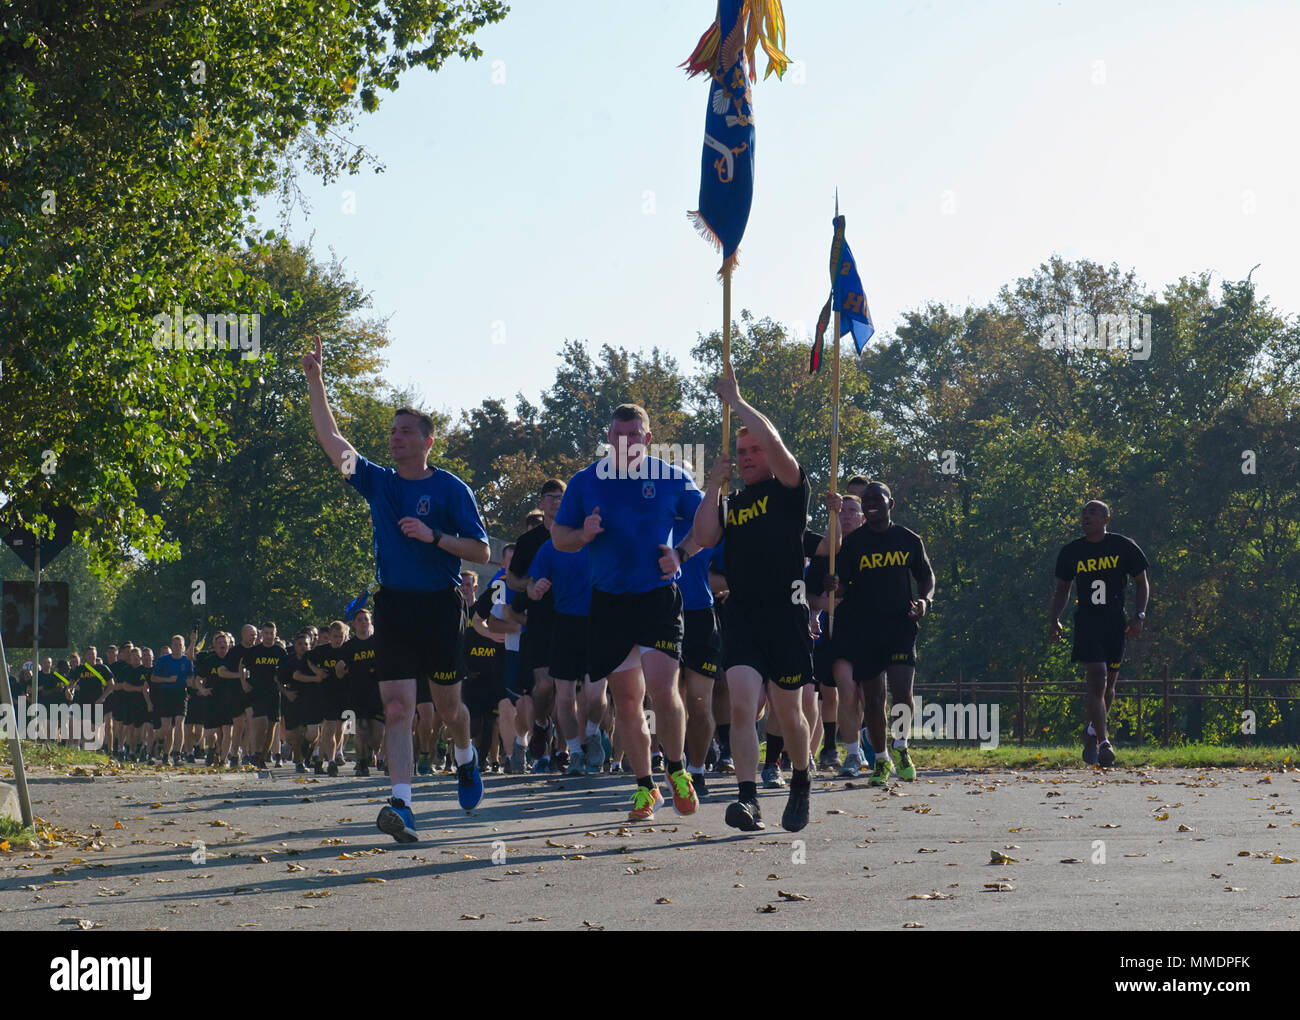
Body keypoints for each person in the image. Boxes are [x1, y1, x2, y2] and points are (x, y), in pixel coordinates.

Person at [304, 334, 491, 843]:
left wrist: (435, 536)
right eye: (392, 432)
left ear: (428, 441)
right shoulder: (380, 483)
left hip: (439, 605)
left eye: (407, 432)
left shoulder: (451, 489)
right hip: (394, 606)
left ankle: (466, 757)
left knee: (448, 708)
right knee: (396, 709)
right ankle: (402, 805)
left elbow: (481, 552)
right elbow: (334, 443)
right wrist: (316, 381)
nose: (396, 438)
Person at [552, 403, 700, 821]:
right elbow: (560, 537)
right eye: (617, 435)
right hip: (610, 600)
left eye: (633, 435)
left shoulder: (671, 477)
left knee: (662, 689)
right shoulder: (586, 481)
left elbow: (709, 522)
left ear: (647, 439)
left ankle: (676, 768)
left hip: (657, 595)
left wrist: (682, 553)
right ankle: (644, 787)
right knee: (627, 700)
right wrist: (584, 533)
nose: (625, 442)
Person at [690, 364, 816, 833]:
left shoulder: (790, 489)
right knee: (743, 705)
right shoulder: (734, 500)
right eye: (739, 451)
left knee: (789, 712)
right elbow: (703, 537)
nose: (745, 457)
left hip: (785, 614)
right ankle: (748, 800)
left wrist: (738, 402)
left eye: (752, 450)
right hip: (741, 614)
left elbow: (777, 444)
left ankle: (801, 780)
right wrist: (714, 484)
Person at [825, 482, 935, 787]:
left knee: (902, 694)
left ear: (891, 504)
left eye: (877, 499)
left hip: (900, 625)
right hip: (865, 629)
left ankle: (901, 749)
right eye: (867, 500)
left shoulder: (908, 539)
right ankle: (882, 759)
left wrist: (924, 602)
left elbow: (926, 576)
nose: (871, 504)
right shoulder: (853, 544)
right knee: (872, 700)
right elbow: (843, 584)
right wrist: (834, 585)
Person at [1049, 499, 1150, 767]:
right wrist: (1054, 618)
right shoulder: (1072, 552)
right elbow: (1062, 589)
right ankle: (1104, 742)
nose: (1086, 517)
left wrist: (1139, 615)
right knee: (1097, 678)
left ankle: (1092, 730)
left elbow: (1142, 582)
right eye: (1084, 513)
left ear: (1106, 519)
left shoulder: (1122, 546)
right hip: (1088, 623)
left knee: (1110, 687)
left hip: (1115, 623)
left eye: (1093, 512)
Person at [339, 609, 385, 777]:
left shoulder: (378, 642)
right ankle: (362, 763)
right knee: (361, 727)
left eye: (366, 619)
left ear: (370, 622)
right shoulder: (348, 647)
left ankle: (372, 752)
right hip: (356, 694)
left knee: (376, 737)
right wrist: (340, 670)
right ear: (354, 623)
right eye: (359, 620)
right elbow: (340, 670)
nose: (363, 622)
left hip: (377, 694)